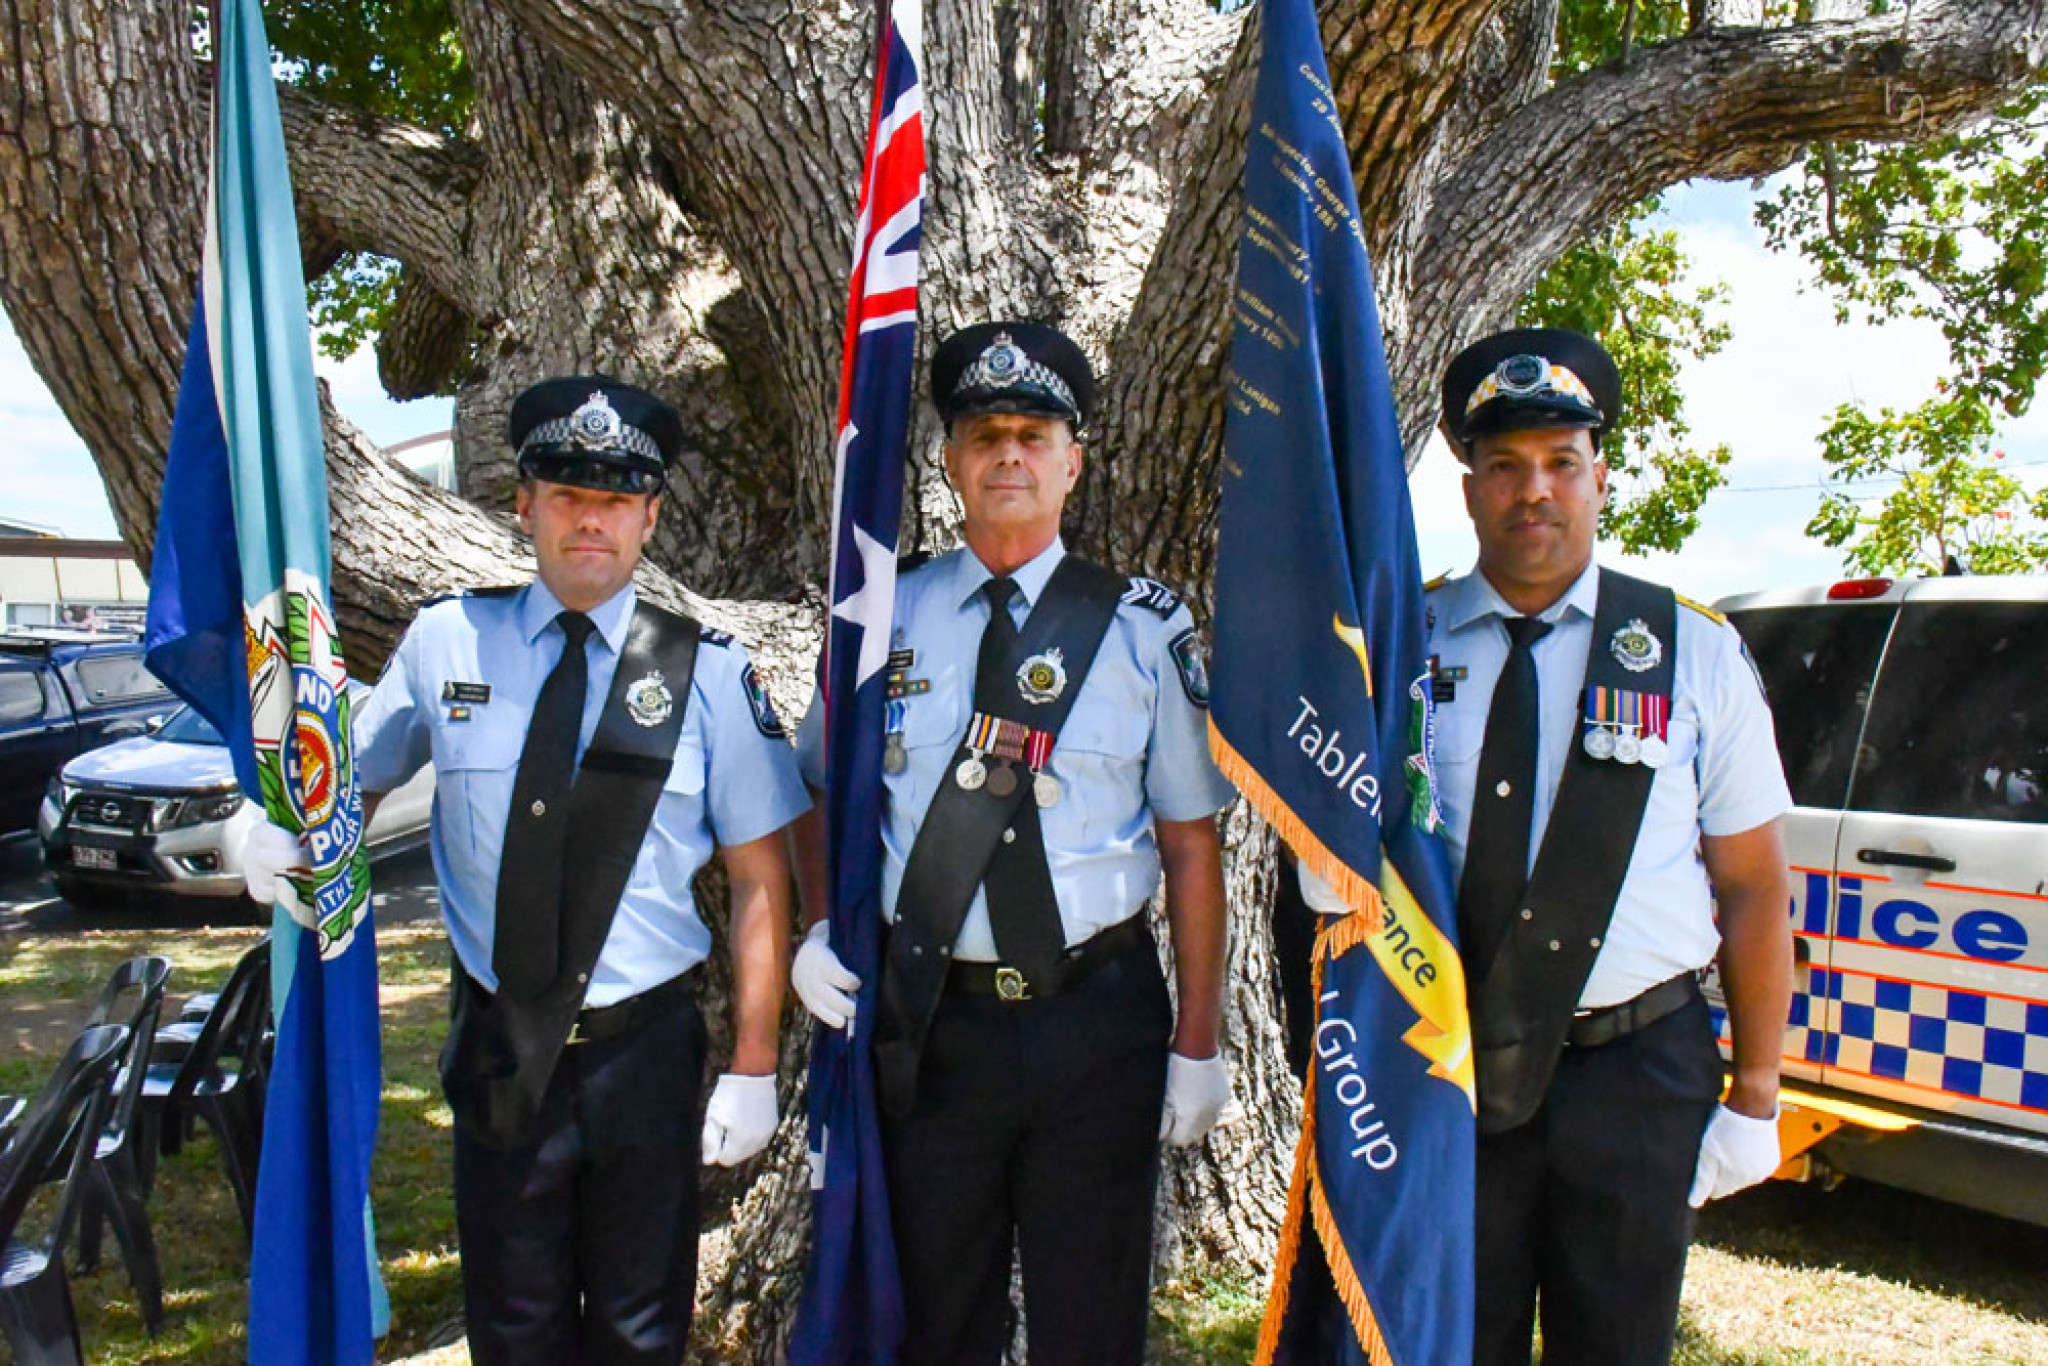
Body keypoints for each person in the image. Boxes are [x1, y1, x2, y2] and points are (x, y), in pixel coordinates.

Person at [246, 377, 808, 1364]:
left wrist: (755, 1062)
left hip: (645, 1048)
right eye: (565, 493)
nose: (589, 518)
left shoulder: (709, 672)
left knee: (642, 1330)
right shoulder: (444, 640)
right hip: (503, 1045)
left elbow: (762, 875)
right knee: (512, 1329)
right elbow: (351, 784)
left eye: (615, 497)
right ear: (524, 504)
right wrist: (285, 827)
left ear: (650, 515)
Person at [1308, 327, 1795, 1364]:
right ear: (1469, 484)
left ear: (1598, 476)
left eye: (1559, 463)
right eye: (1504, 466)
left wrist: (1755, 1095)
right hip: (1446, 1069)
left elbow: (1752, 888)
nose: (1534, 490)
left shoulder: (1689, 652)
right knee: (1451, 1342)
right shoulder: (1403, 645)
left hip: (1633, 1073)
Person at [789, 322, 1236, 1364]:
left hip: (1098, 1019)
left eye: (1033, 434)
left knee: (1092, 1318)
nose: (1008, 456)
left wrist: (1200, 1041)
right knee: (941, 1319)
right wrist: (819, 922)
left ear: (1071, 459)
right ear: (948, 460)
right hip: (935, 1025)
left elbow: (1191, 843)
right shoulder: (878, 617)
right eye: (983, 434)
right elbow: (818, 785)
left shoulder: (1140, 627)